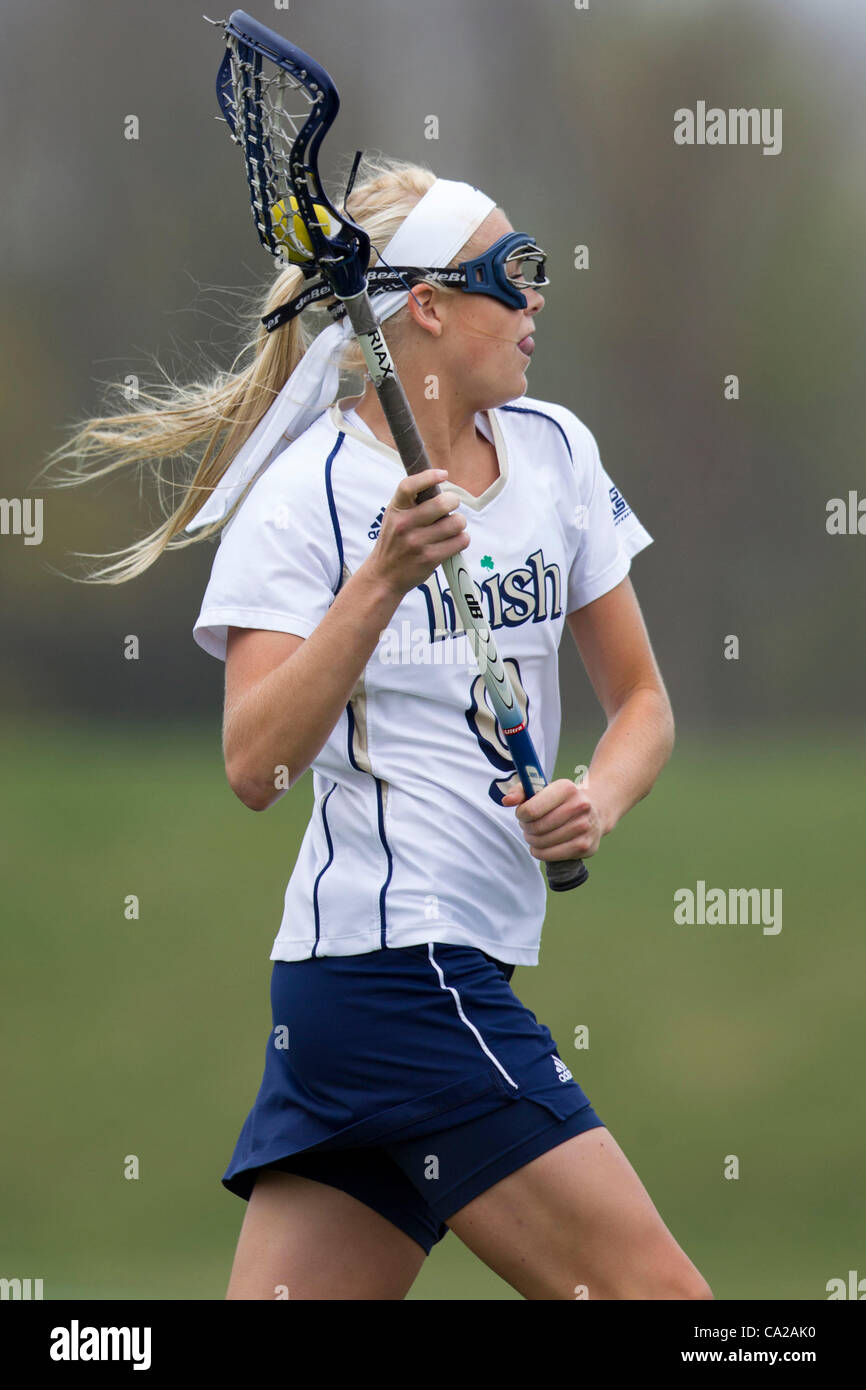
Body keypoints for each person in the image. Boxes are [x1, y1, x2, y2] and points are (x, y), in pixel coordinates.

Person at [51, 154, 712, 1301]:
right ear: (429, 305)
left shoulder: (557, 451)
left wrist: (590, 802)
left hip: (388, 990)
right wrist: (381, 579)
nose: (538, 297)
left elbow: (642, 704)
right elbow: (254, 762)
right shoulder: (304, 495)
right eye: (517, 271)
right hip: (399, 974)